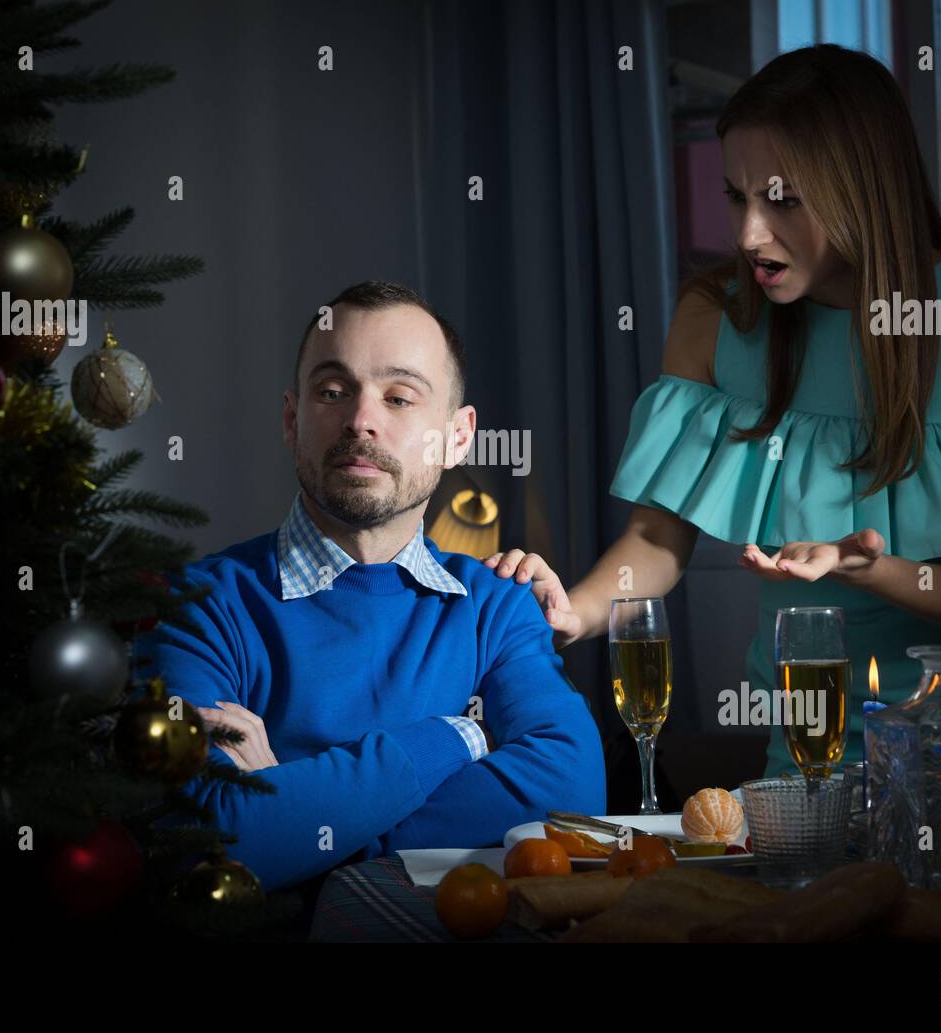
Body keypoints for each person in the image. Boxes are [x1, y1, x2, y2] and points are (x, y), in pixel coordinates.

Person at [484, 44, 941, 779]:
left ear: (865, 189)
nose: (749, 235)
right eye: (735, 196)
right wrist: (578, 611)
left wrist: (871, 570)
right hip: (801, 755)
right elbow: (658, 536)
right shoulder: (712, 315)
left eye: (782, 199)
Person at [133, 281, 605, 891]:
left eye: (400, 398)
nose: (361, 421)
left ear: (458, 436)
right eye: (333, 392)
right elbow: (209, 834)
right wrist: (462, 736)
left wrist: (297, 814)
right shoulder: (197, 607)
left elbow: (572, 792)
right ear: (291, 418)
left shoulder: (497, 605)